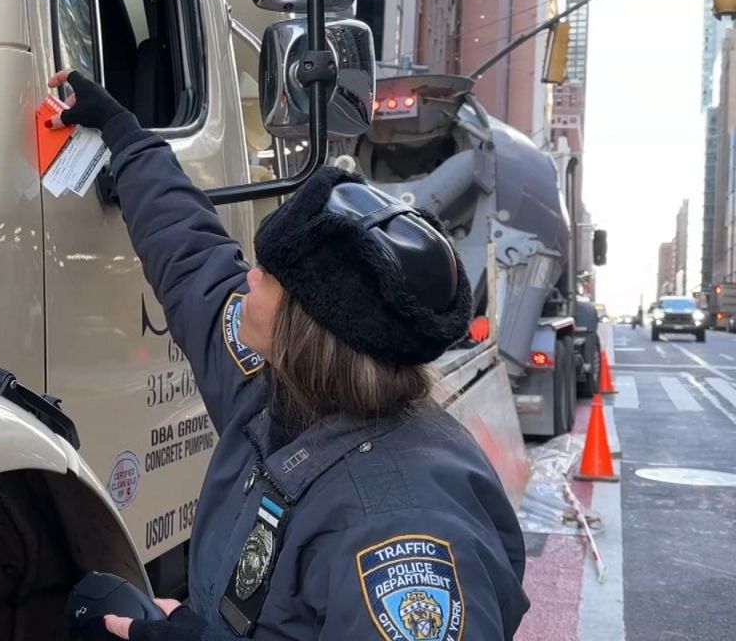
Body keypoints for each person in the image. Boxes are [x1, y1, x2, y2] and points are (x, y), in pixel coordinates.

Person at [46, 70, 529, 640]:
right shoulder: (277, 389)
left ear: (307, 328)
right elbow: (191, 258)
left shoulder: (401, 527)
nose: (246, 277)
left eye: (267, 275)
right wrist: (125, 137)